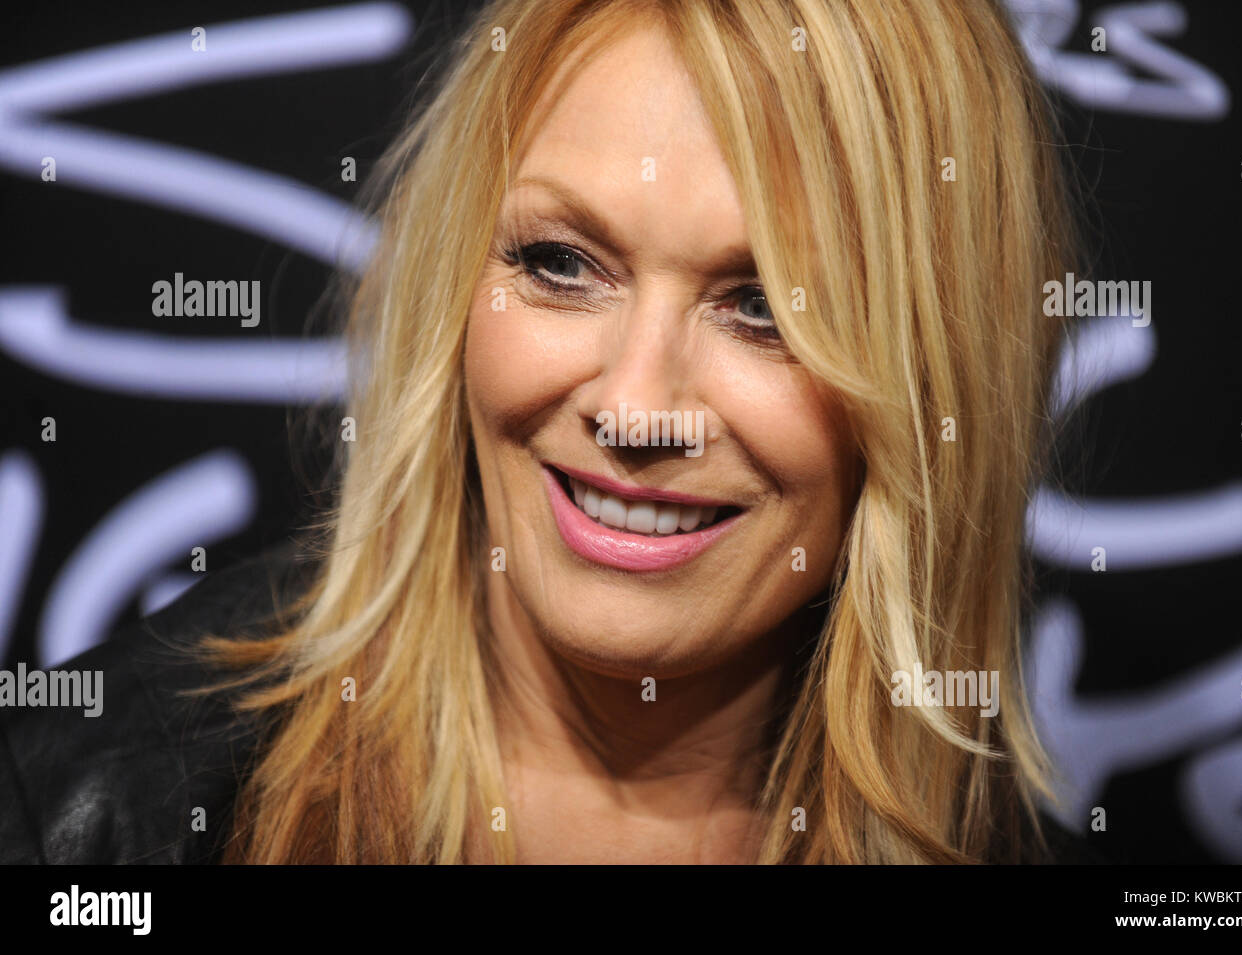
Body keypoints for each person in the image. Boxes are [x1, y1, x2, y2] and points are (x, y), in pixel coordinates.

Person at [0, 0, 1096, 864]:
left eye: (767, 306)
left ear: (935, 377)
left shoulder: (989, 834)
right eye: (559, 264)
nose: (632, 404)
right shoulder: (87, 815)